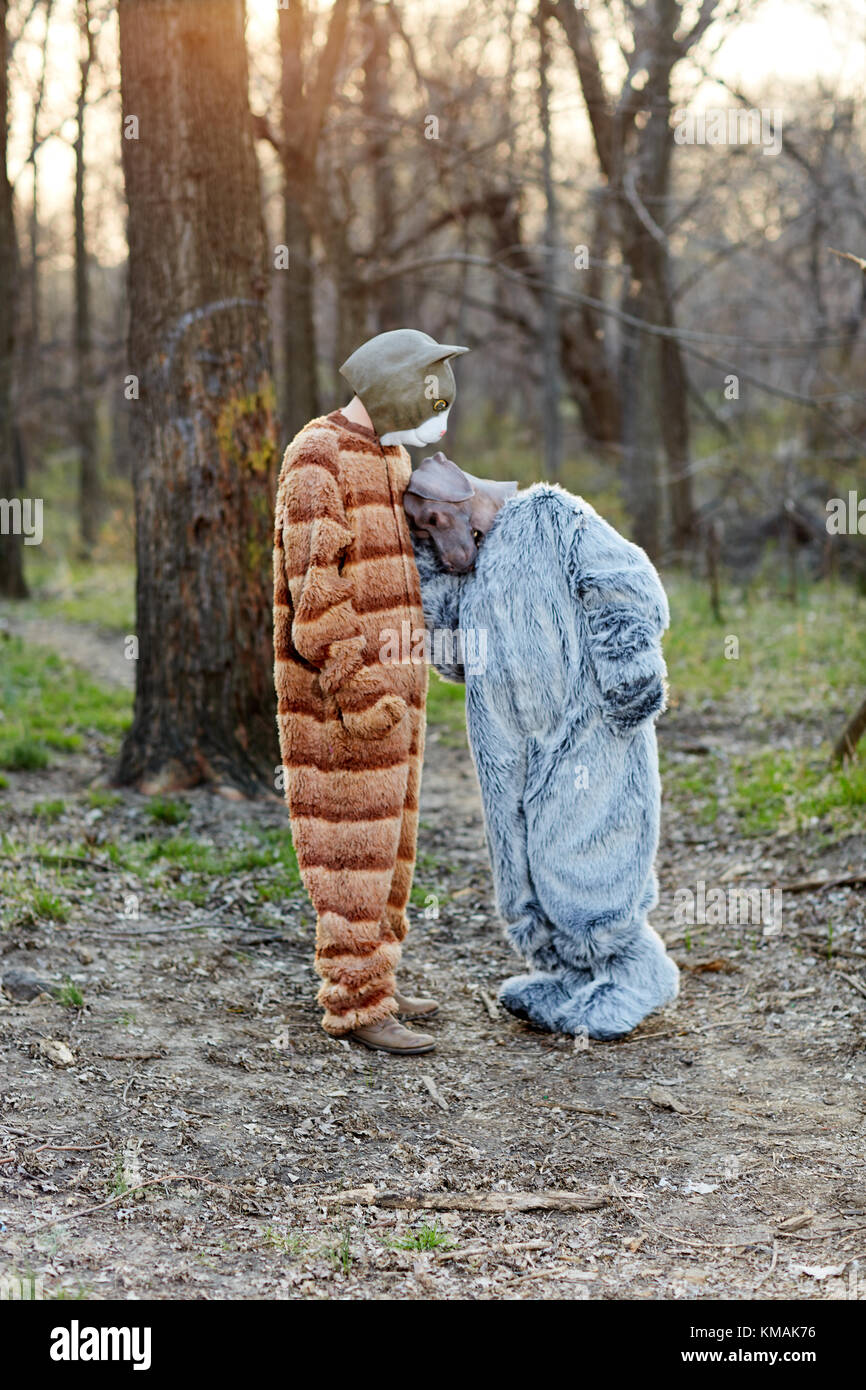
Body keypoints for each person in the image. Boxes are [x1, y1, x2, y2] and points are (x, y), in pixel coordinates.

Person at [272, 330, 468, 1054]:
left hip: (398, 699)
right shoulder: (315, 459)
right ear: (396, 388)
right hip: (343, 704)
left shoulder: (390, 454)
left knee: (390, 854)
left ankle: (378, 977)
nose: (440, 419)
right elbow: (315, 595)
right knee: (348, 859)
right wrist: (359, 693)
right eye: (432, 399)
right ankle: (354, 1006)